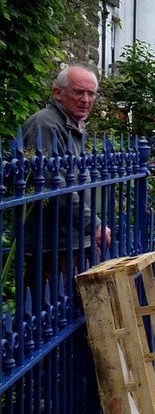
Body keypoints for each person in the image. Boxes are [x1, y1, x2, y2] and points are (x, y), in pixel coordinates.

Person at [21, 65, 112, 269]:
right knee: (50, 298)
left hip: (73, 240)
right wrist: (93, 224)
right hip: (53, 245)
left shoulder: (72, 124)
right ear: (58, 93)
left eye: (91, 94)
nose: (86, 100)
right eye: (78, 92)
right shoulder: (45, 124)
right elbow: (56, 186)